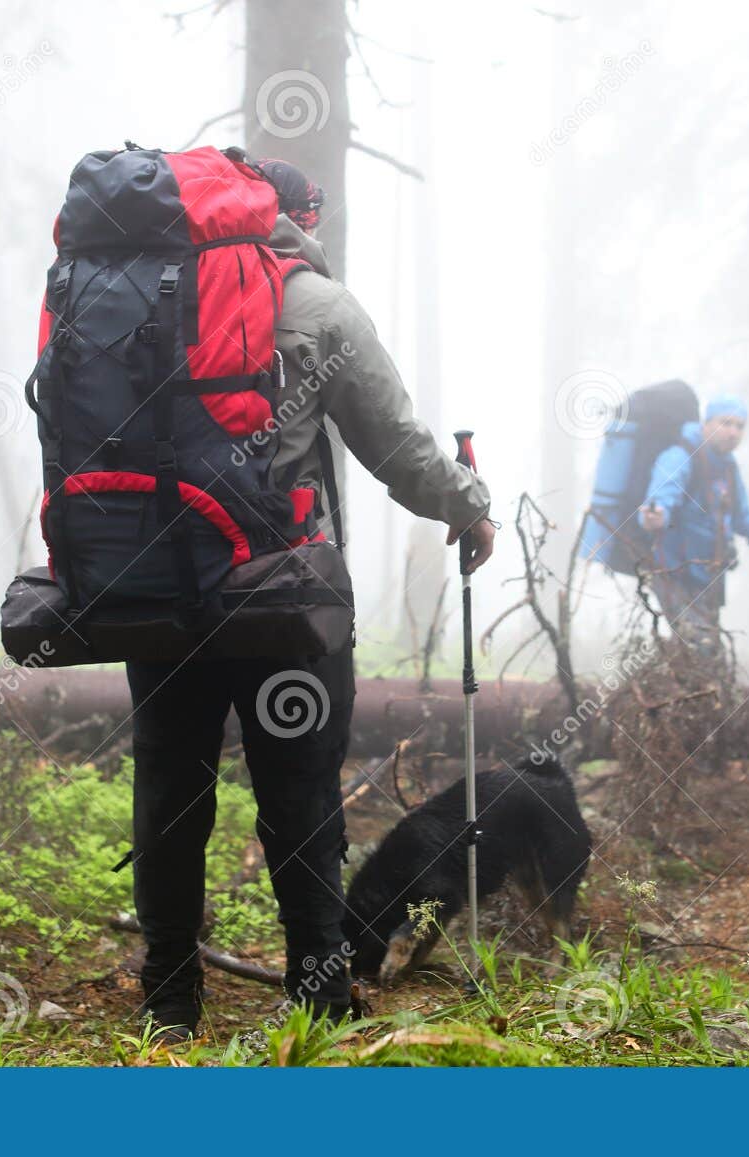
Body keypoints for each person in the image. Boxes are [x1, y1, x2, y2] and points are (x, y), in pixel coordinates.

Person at [125, 158, 494, 1039]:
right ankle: (317, 990)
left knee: (171, 786)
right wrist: (471, 506)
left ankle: (171, 997)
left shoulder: (135, 292)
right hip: (281, 598)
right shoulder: (320, 306)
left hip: (155, 588)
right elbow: (400, 451)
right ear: (294, 215)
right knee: (298, 787)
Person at [636, 394, 749, 649]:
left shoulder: (728, 467)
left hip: (708, 577)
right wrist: (656, 516)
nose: (733, 432)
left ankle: (673, 684)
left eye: (740, 426)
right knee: (701, 645)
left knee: (697, 646)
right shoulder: (679, 457)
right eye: (726, 423)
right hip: (674, 572)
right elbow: (662, 497)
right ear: (706, 424)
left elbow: (742, 517)